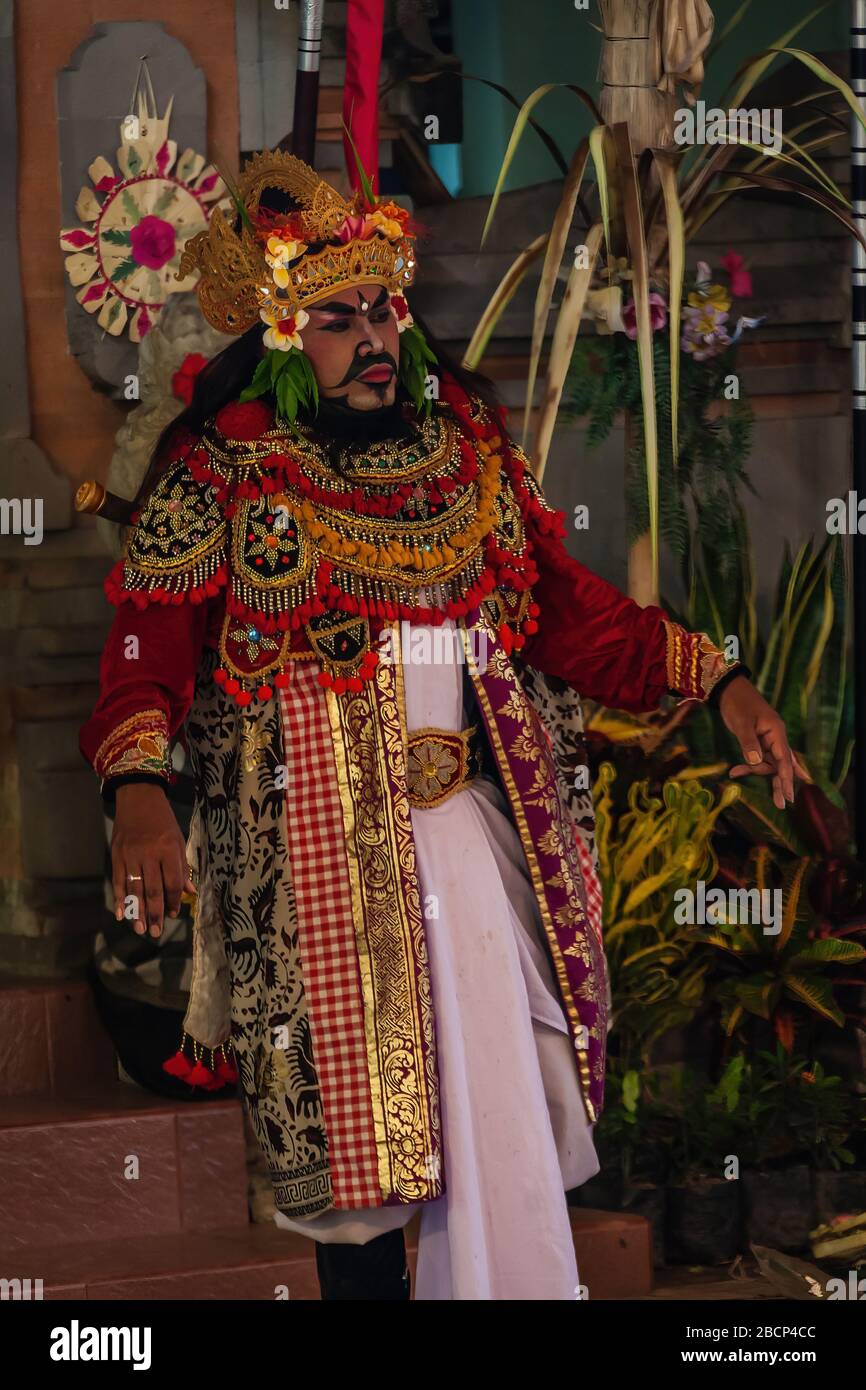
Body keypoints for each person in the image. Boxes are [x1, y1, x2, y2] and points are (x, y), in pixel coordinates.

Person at [79, 151, 803, 1301]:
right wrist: (138, 792)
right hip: (313, 860)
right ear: (281, 333)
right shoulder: (225, 472)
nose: (372, 337)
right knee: (361, 1169)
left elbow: (571, 613)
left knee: (498, 1123)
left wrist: (718, 683)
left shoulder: (463, 449)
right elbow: (143, 650)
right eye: (336, 318)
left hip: (465, 840)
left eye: (383, 309)